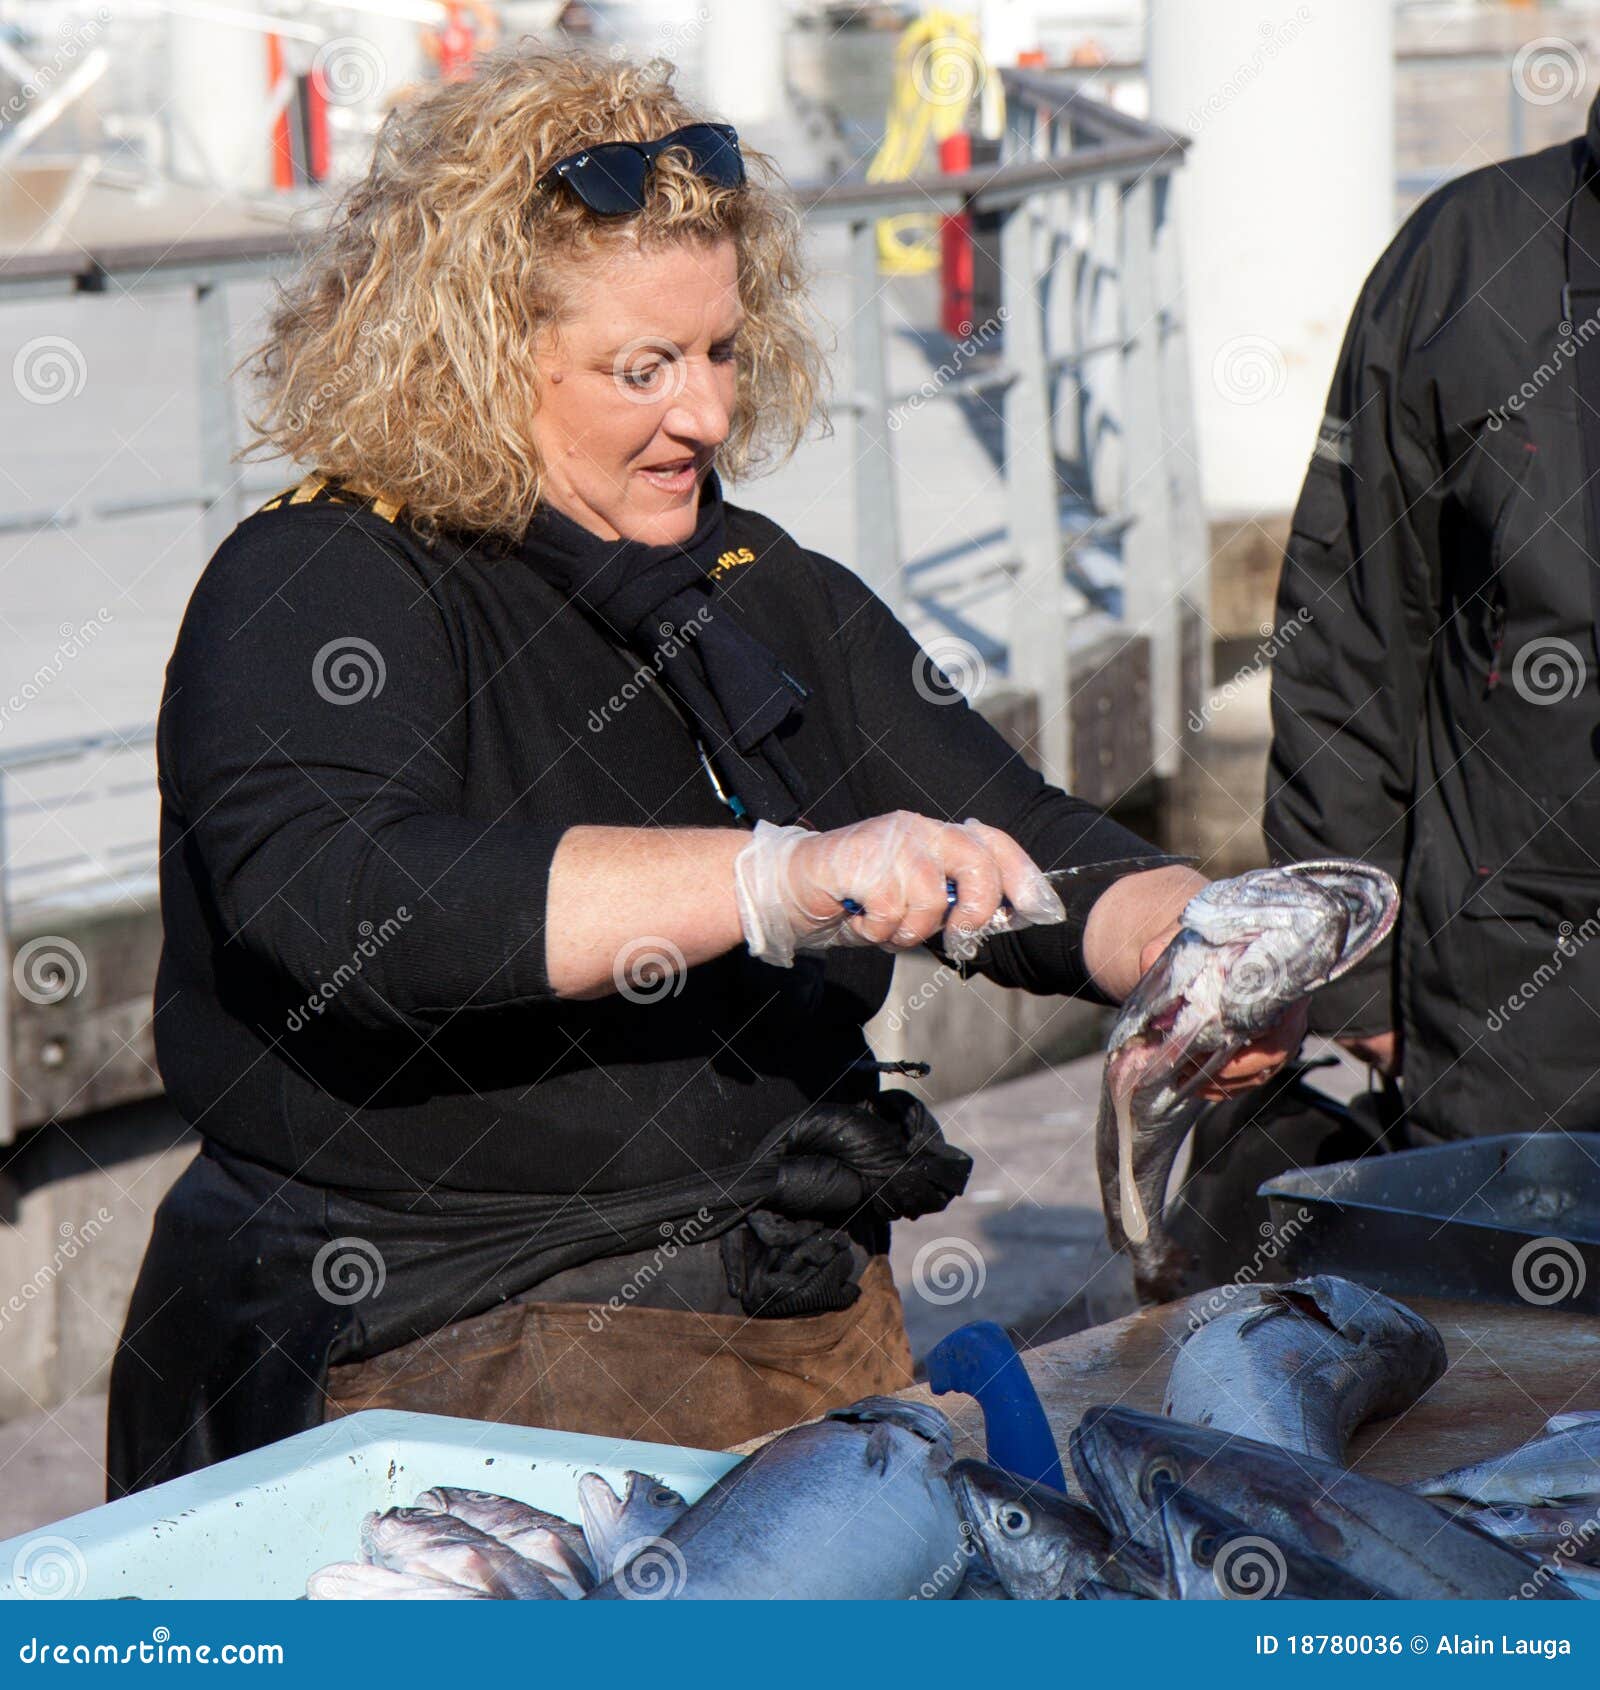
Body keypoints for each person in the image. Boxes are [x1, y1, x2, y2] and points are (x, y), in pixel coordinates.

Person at [107, 44, 1299, 1498]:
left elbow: (1023, 838)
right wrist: (776, 880)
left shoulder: (749, 579)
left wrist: (1180, 942)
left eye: (723, 352)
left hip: (791, 1333)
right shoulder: (319, 580)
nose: (708, 415)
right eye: (643, 368)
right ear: (475, 356)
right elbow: (351, 898)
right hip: (440, 1365)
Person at [1265, 85, 1600, 1144]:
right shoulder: (1466, 254)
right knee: (1504, 1303)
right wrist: (1349, 970)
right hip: (1511, 996)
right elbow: (1348, 626)